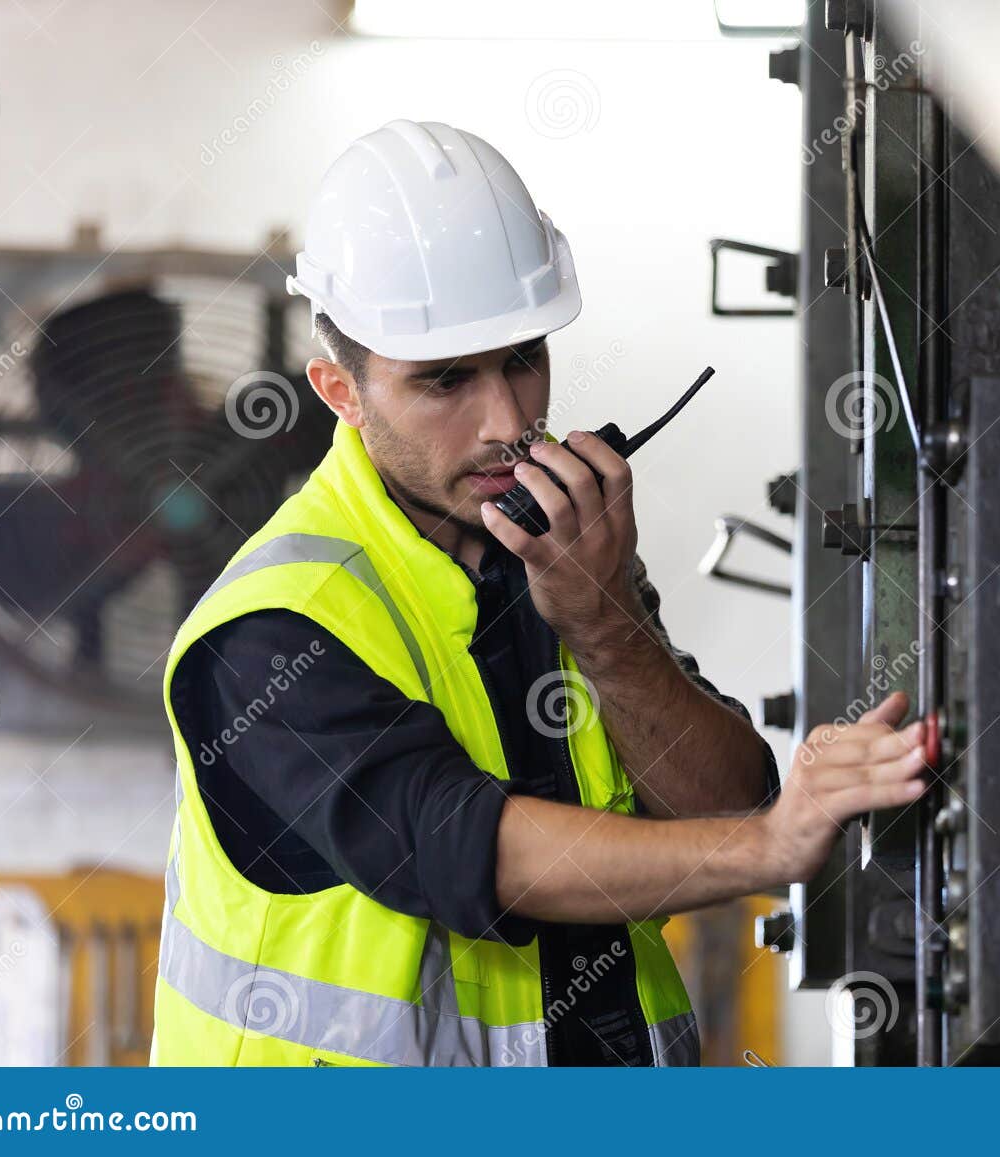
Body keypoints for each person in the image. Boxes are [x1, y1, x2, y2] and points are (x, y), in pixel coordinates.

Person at [150, 119, 929, 1068]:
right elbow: (470, 850)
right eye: (445, 381)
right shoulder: (273, 628)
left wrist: (604, 622)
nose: (510, 424)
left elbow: (717, 800)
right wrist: (769, 846)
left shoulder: (562, 554)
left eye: (524, 358)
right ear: (339, 389)